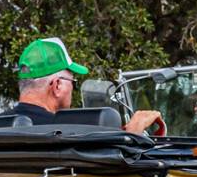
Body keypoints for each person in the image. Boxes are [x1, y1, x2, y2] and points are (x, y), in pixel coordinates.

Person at [11, 37, 163, 134]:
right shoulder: (70, 131)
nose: (73, 90)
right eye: (73, 83)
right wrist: (134, 132)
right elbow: (111, 171)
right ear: (57, 85)